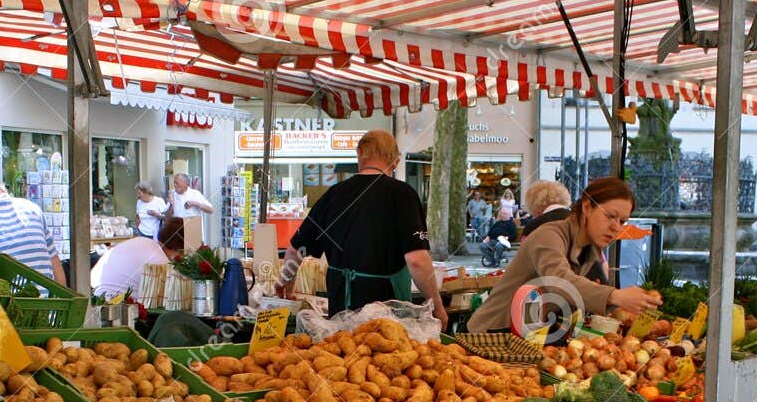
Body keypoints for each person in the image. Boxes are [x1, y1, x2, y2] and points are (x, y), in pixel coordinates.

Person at [272, 129, 447, 327]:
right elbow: (416, 260)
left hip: (340, 314)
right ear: (396, 161)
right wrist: (437, 308)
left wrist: (285, 280)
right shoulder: (403, 194)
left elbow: (296, 250)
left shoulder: (334, 194)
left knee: (342, 356)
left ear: (359, 154)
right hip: (386, 320)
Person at [468, 176, 660, 333]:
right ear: (587, 207)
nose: (616, 227)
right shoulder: (549, 234)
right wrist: (616, 296)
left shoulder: (590, 248)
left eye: (622, 221)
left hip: (530, 334)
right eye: (610, 216)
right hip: (492, 332)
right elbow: (559, 279)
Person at [93, 214, 185, 304]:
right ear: (178, 248)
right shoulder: (161, 262)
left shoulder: (143, 241)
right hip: (117, 309)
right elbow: (173, 299)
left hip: (96, 299)